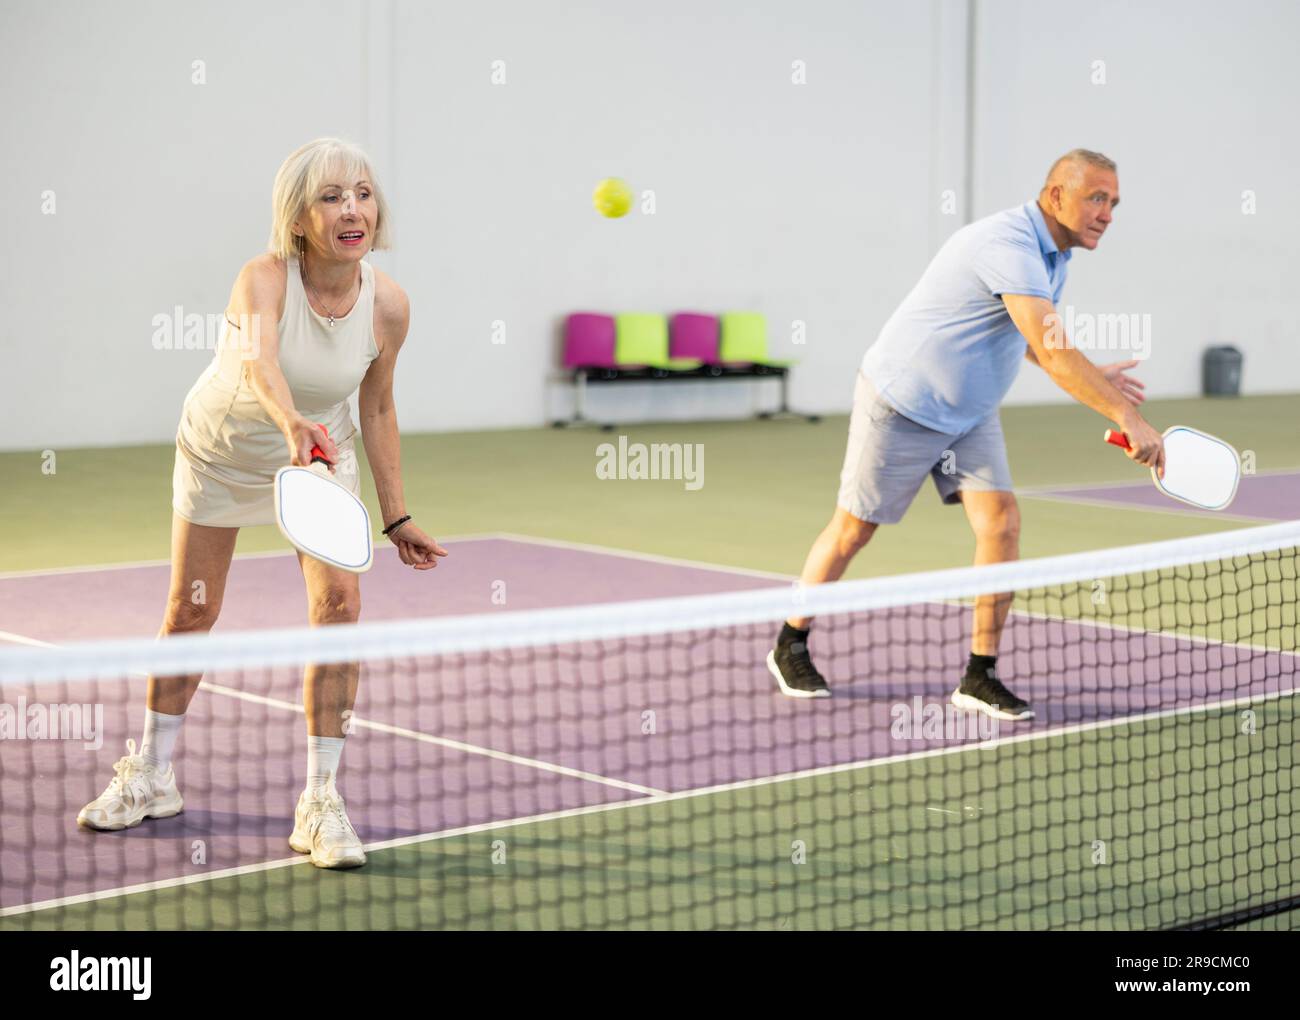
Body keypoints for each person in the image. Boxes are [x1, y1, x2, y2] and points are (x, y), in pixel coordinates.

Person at [77, 138, 447, 868]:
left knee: (339, 609)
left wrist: (396, 514)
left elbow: (377, 408)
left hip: (320, 450)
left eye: (363, 194)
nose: (352, 210)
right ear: (299, 217)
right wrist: (289, 424)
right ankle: (151, 773)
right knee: (192, 610)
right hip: (226, 448)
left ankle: (321, 801)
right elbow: (258, 364)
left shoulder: (390, 306)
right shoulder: (264, 278)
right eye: (332, 197)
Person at [767, 149, 1163, 720]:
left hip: (969, 414)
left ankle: (980, 675)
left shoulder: (1055, 257)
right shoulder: (1008, 245)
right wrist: (1126, 416)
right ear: (1056, 196)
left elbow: (1030, 334)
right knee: (853, 530)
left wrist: (1094, 376)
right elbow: (1053, 351)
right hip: (902, 403)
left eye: (1114, 203)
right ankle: (791, 640)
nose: (1107, 214)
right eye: (1096, 198)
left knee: (1001, 523)